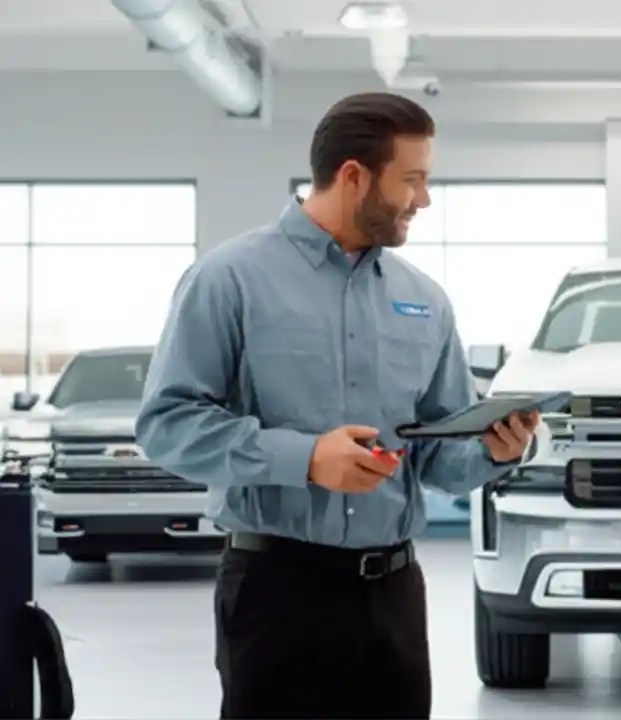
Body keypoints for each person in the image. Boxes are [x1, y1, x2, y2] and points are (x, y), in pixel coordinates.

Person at [135, 92, 537, 720]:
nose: (424, 200)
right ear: (354, 176)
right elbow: (166, 424)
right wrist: (305, 458)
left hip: (396, 596)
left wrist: (495, 451)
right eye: (412, 180)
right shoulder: (229, 278)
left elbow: (438, 457)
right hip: (277, 592)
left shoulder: (425, 299)